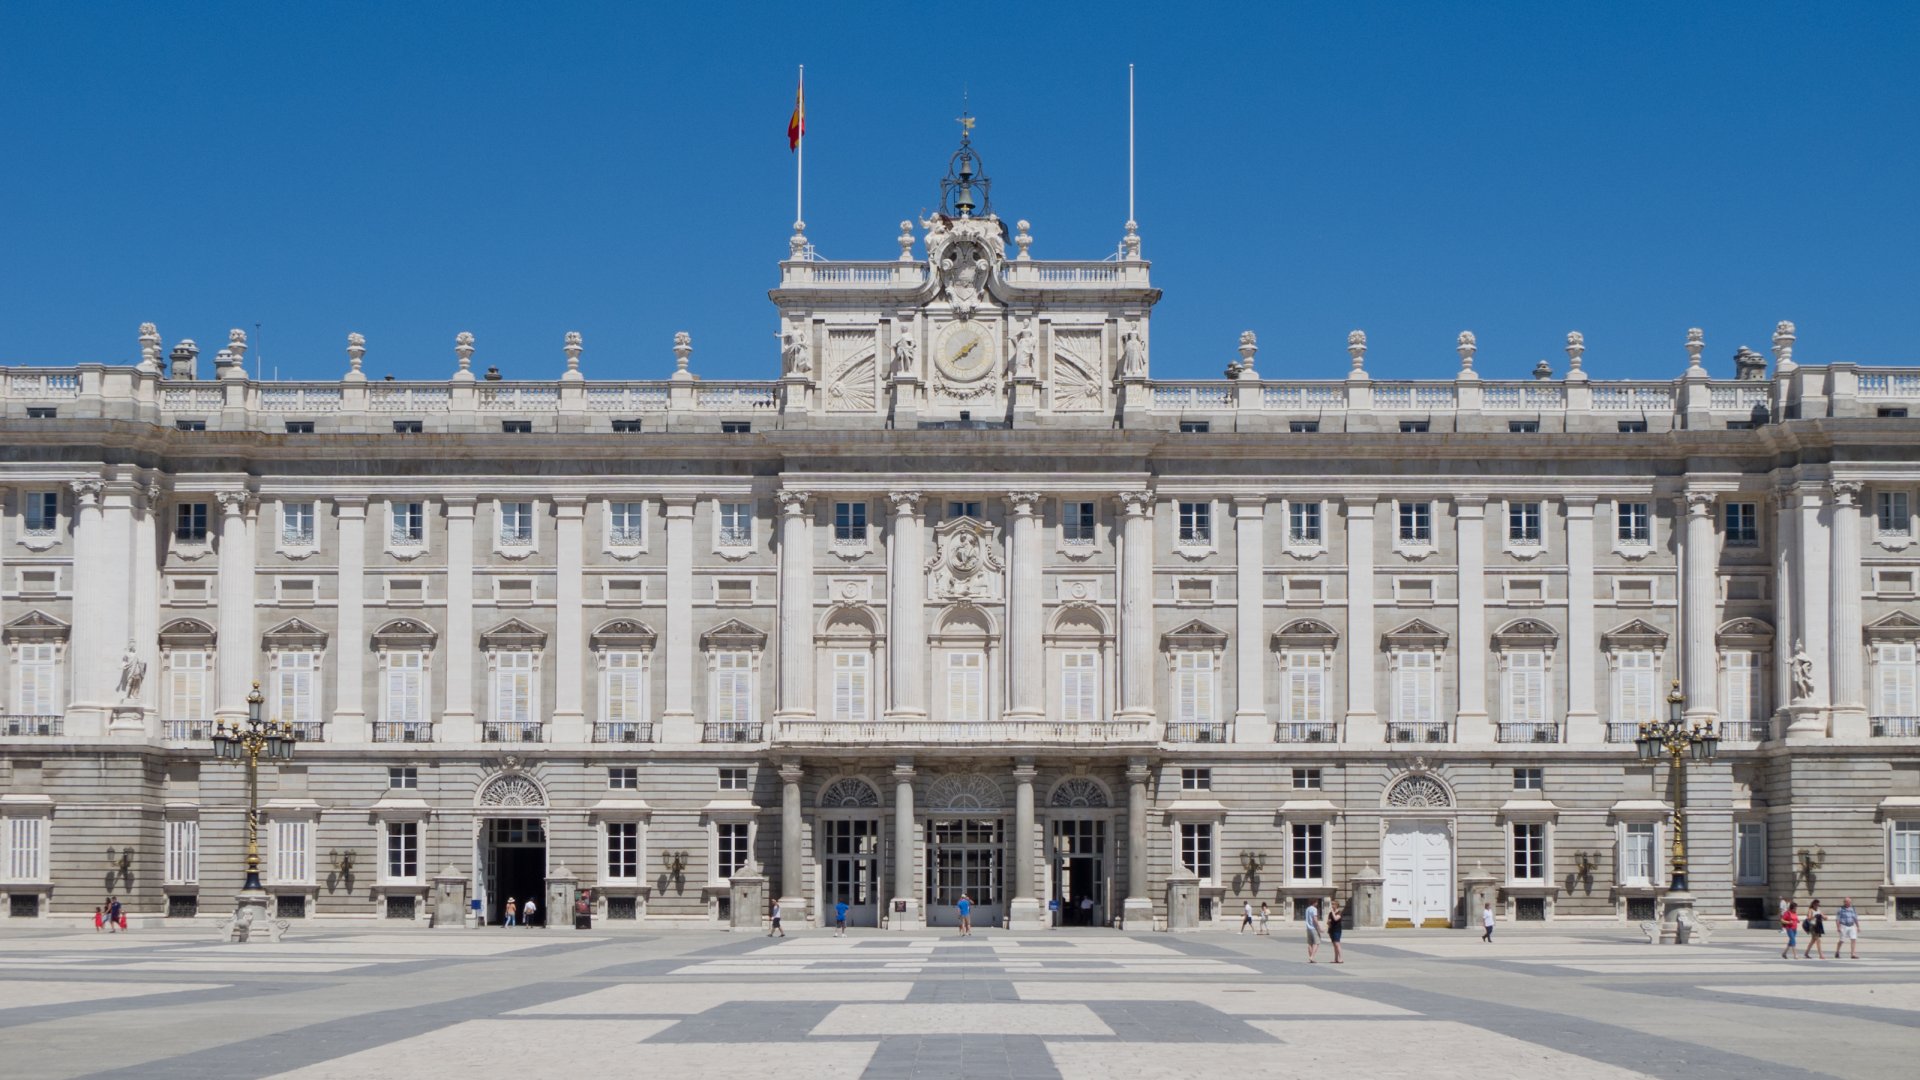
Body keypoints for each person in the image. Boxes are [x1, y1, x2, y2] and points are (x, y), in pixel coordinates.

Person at [1303, 898, 1322, 962]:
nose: (1317, 903)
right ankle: (1312, 957)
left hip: (1308, 928)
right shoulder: (1314, 909)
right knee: (1316, 943)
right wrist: (1319, 928)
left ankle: (1311, 958)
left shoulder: (1307, 909)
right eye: (1317, 902)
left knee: (1310, 944)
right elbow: (1315, 919)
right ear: (1314, 902)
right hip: (1313, 928)